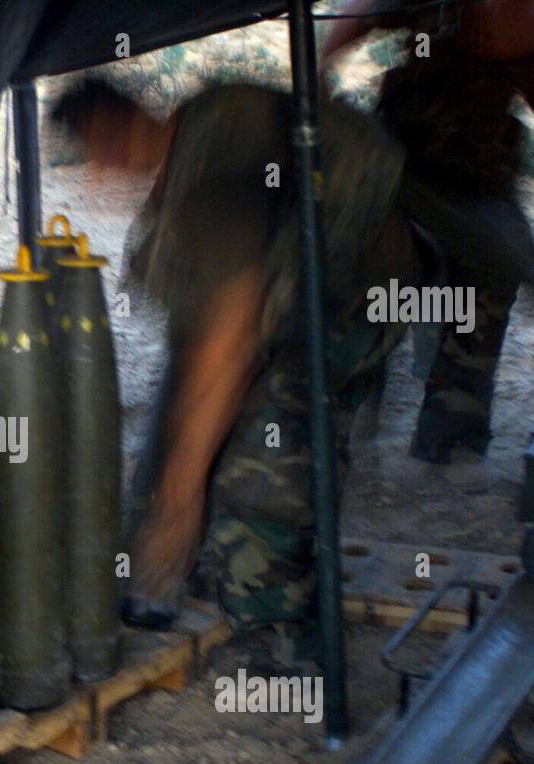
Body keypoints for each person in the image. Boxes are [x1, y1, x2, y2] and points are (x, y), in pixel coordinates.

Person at [49, 79, 428, 659]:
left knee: (261, 466)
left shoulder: (216, 175)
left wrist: (181, 492)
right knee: (187, 429)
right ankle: (172, 572)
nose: (104, 170)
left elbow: (231, 337)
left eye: (101, 149)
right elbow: (196, 347)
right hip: (286, 293)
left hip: (358, 298)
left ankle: (287, 645)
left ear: (121, 129)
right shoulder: (181, 173)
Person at [322, 0, 534, 463]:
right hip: (400, 172)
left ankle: (452, 436)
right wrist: (320, 78)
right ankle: (337, 417)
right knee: (375, 282)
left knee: (489, 283)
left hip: (477, 186)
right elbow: (358, 15)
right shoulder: (433, 6)